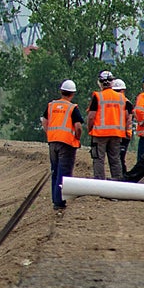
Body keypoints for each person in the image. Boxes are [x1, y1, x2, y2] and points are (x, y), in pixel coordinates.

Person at [45, 79, 88, 210]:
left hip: (52, 142)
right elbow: (78, 127)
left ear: (61, 91)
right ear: (72, 93)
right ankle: (60, 202)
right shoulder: (72, 108)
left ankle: (55, 200)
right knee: (63, 173)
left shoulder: (51, 105)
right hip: (67, 144)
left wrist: (50, 134)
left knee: (55, 171)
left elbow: (44, 121)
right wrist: (77, 138)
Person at [88, 70, 130, 181]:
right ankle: (117, 185)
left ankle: (100, 184)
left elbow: (91, 116)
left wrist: (90, 129)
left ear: (100, 82)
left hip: (99, 134)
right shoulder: (121, 98)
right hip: (116, 134)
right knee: (115, 160)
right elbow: (126, 116)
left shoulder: (98, 96)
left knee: (98, 159)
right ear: (112, 82)